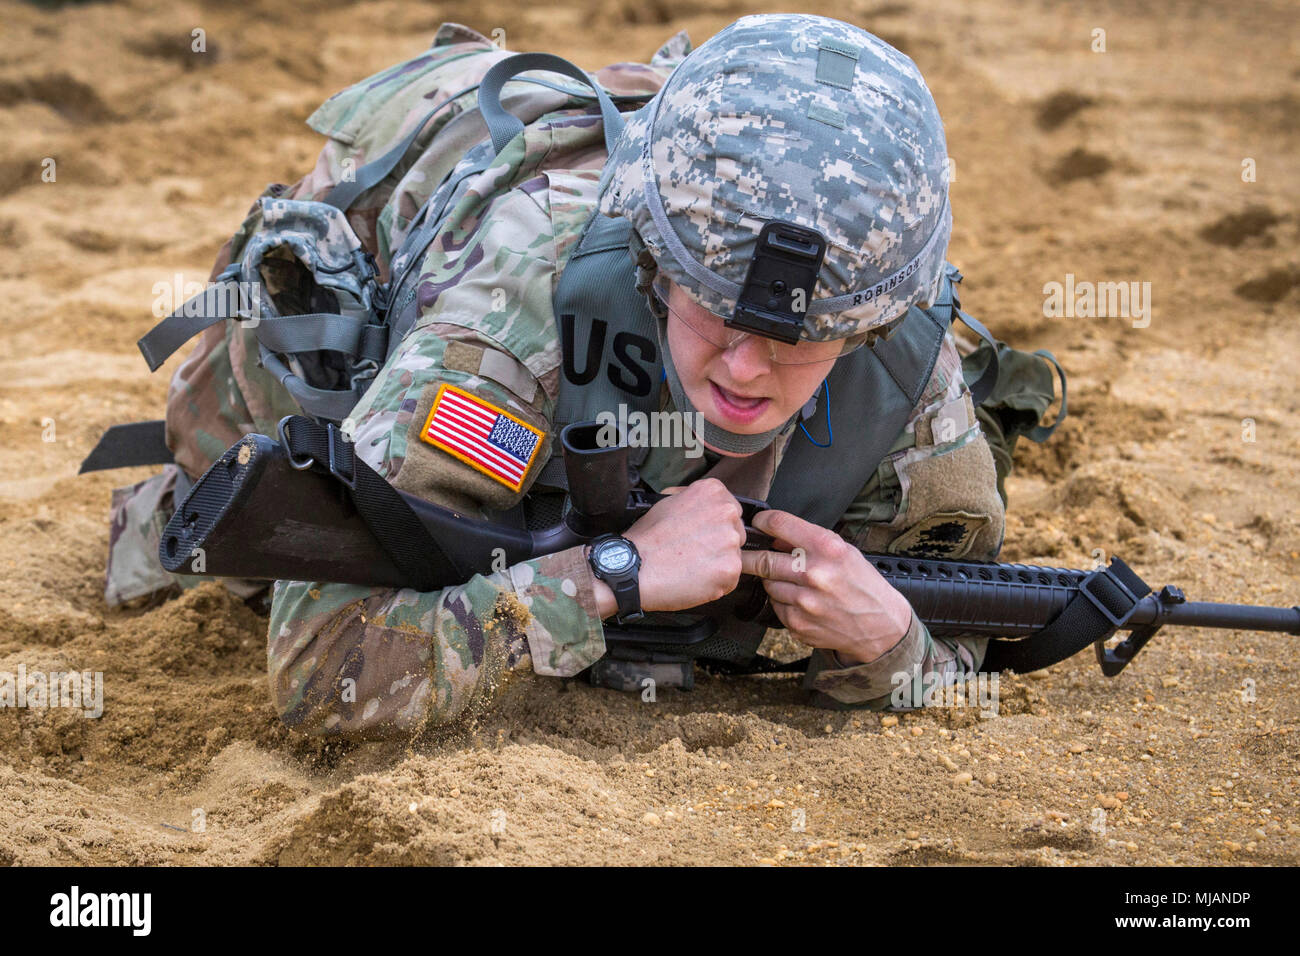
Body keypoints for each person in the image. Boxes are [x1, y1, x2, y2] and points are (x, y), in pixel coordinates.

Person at [263, 13, 1010, 739]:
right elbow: (319, 666)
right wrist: (609, 579)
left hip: (705, 149)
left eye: (803, 337)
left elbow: (965, 654)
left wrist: (889, 644)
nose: (747, 368)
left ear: (865, 323)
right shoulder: (519, 312)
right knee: (204, 509)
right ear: (654, 263)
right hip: (395, 194)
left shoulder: (898, 359)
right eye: (716, 311)